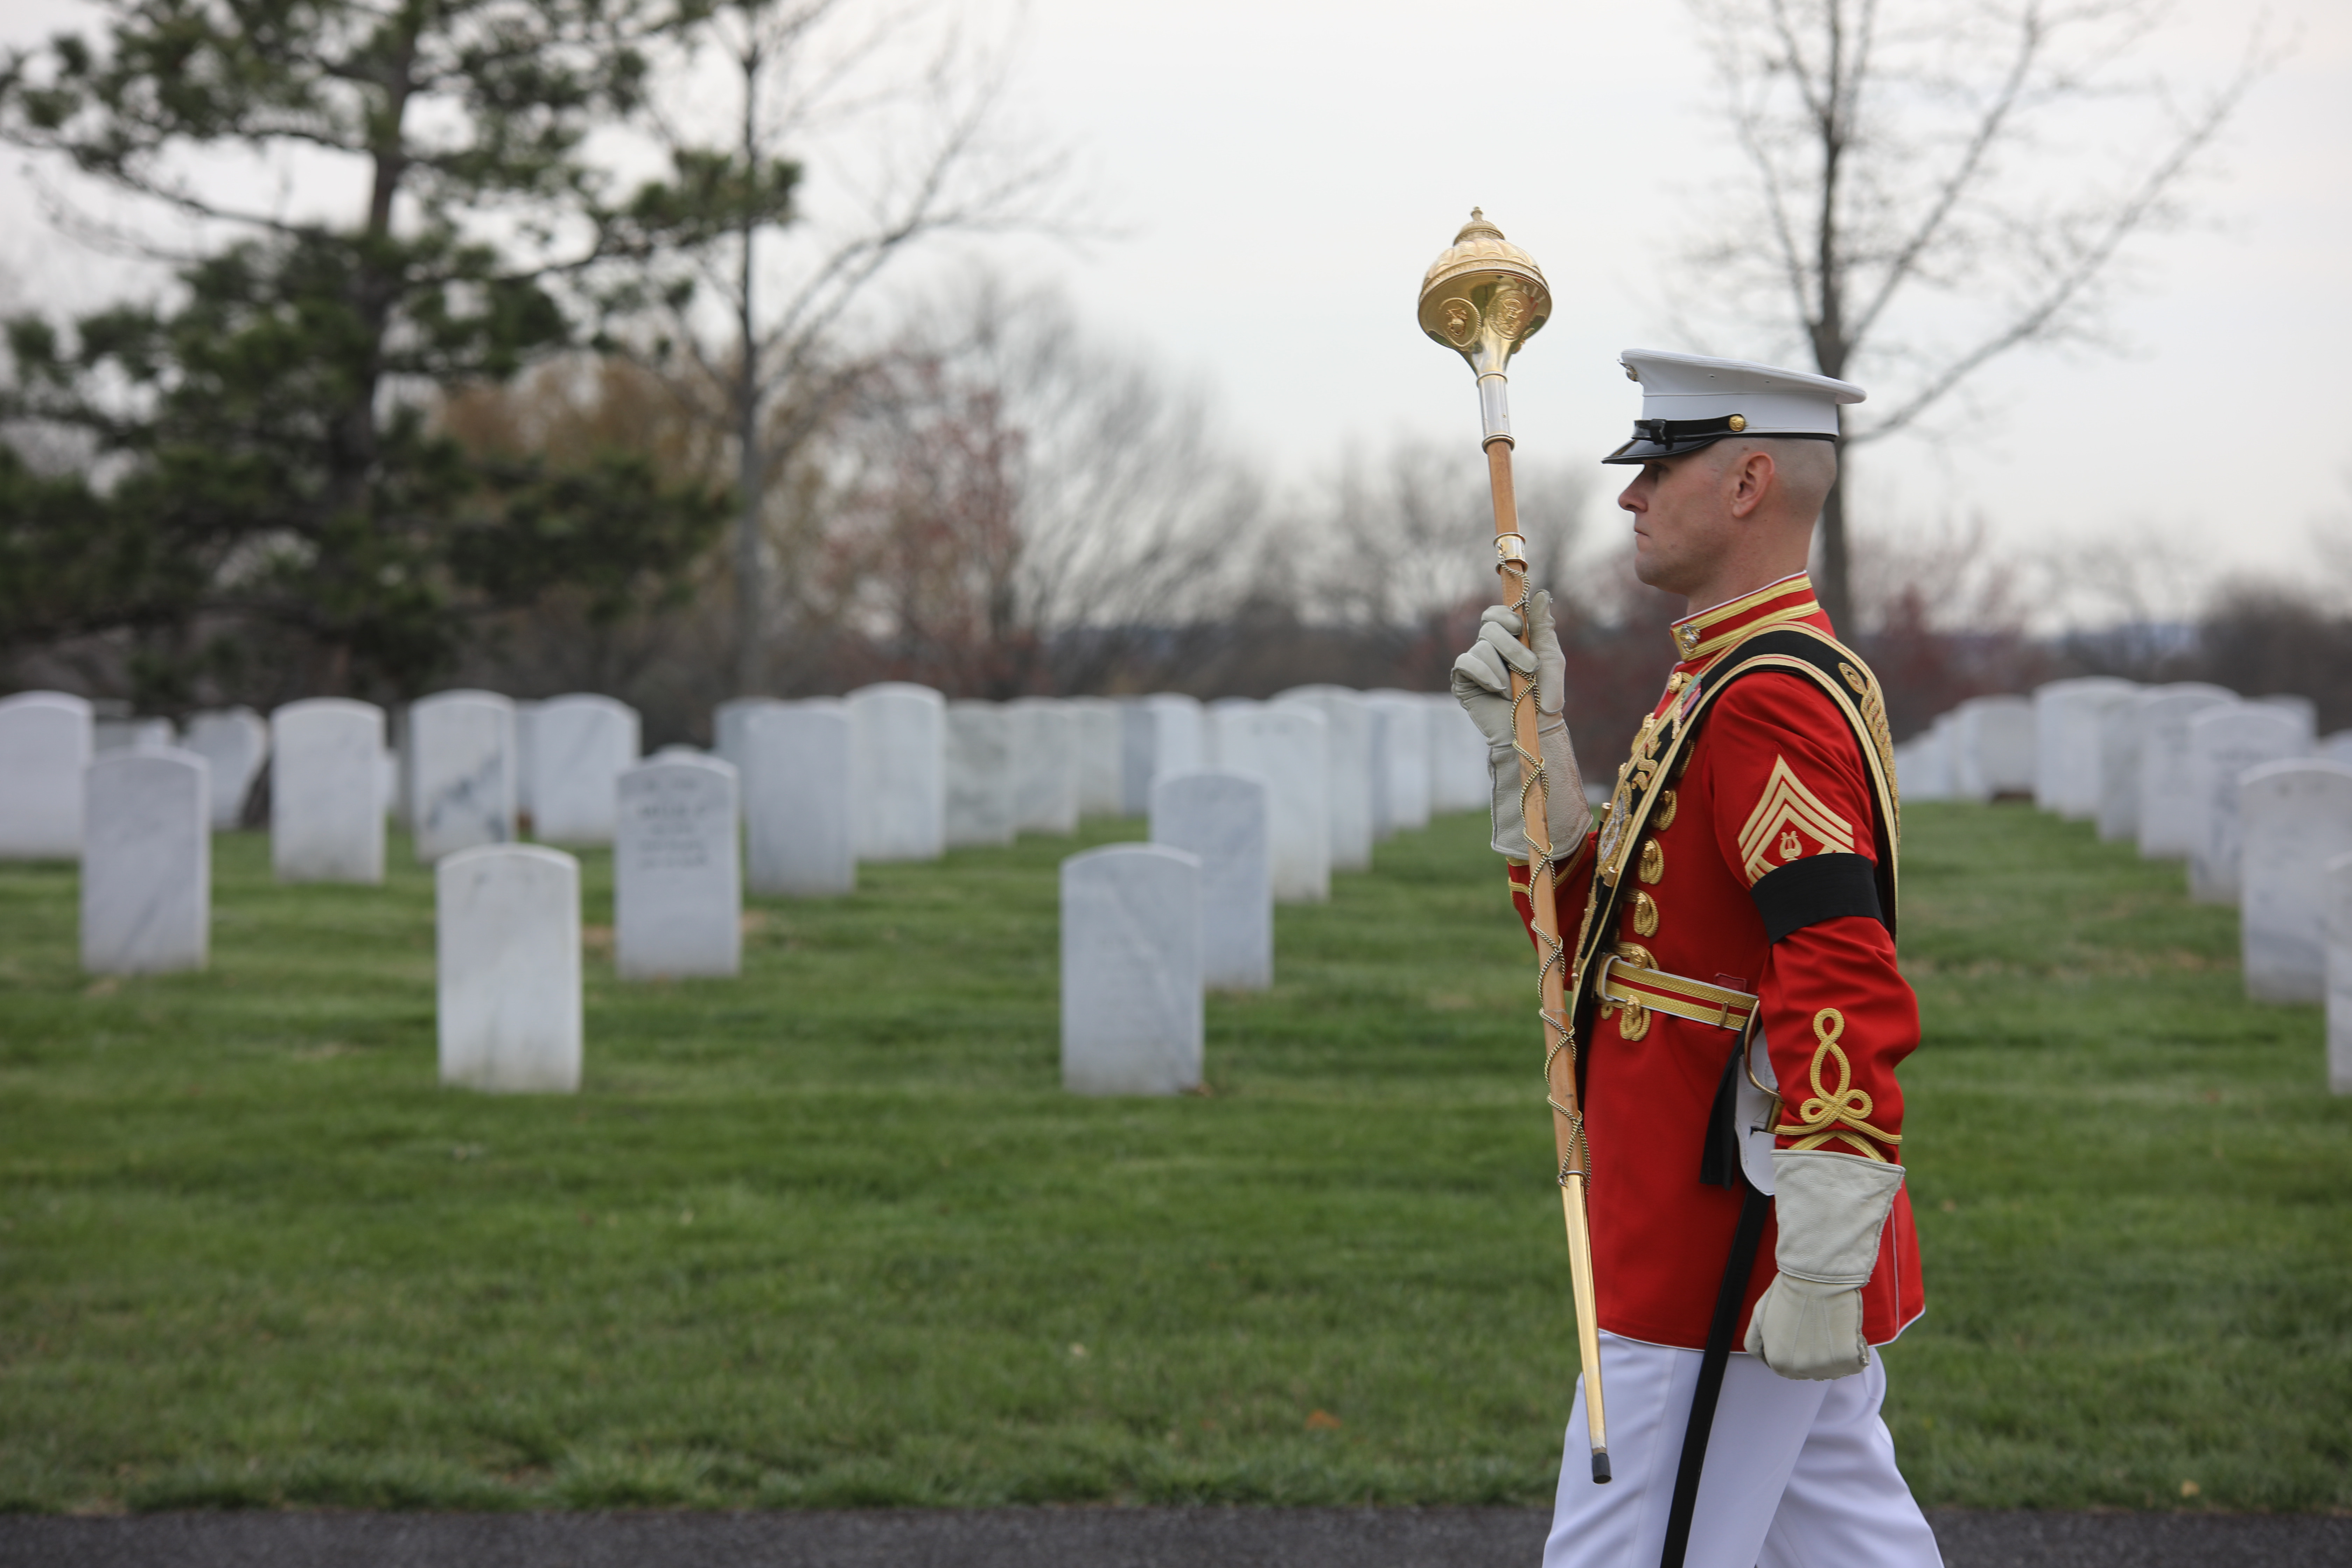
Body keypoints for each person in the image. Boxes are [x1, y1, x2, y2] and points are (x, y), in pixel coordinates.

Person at [1451, 349, 1941, 1568]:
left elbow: (1840, 971)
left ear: (1747, 484)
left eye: (1657, 469)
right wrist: (1533, 756)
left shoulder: (1767, 694)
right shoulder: (1719, 678)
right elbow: (1606, 950)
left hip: (1721, 1237)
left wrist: (1824, 1242)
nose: (1630, 494)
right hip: (1697, 1210)